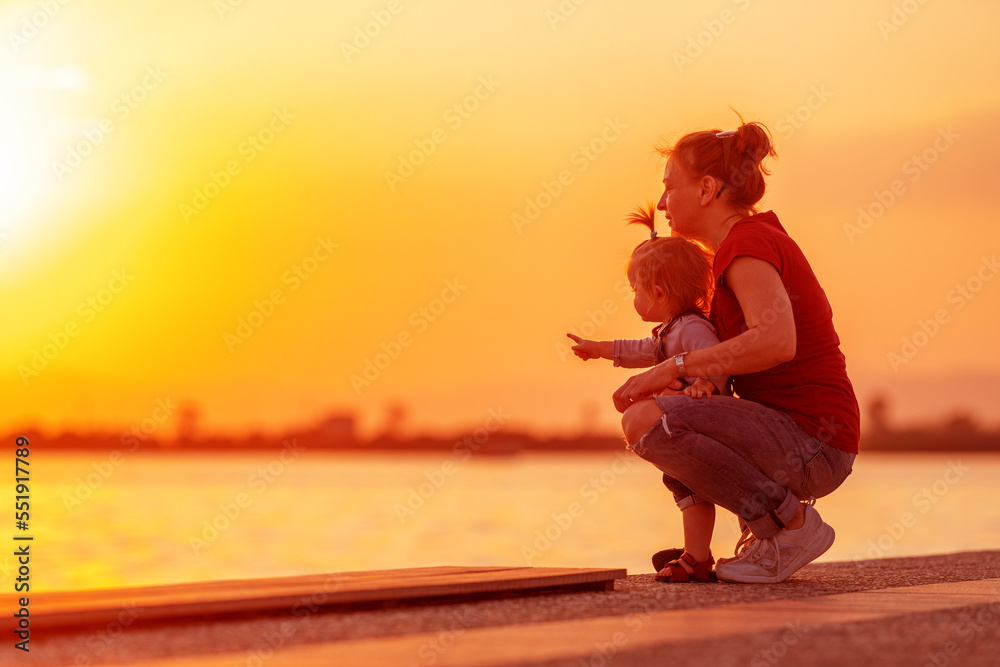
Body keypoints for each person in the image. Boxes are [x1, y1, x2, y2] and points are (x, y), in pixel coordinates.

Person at [613, 119, 859, 584]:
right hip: (807, 441)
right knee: (662, 414)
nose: (662, 203)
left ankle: (790, 526)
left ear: (707, 189)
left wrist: (672, 367)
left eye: (669, 187)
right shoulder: (743, 244)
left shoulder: (747, 245)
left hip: (814, 445)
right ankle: (728, 543)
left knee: (646, 420)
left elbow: (776, 341)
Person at [568, 205, 729, 582]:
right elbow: (641, 350)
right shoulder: (670, 331)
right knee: (686, 487)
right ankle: (696, 555)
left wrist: (708, 383)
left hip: (701, 426)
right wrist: (600, 348)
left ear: (657, 293)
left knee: (695, 487)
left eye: (634, 290)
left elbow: (718, 358)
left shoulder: (691, 329)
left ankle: (698, 556)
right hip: (682, 428)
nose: (633, 297)